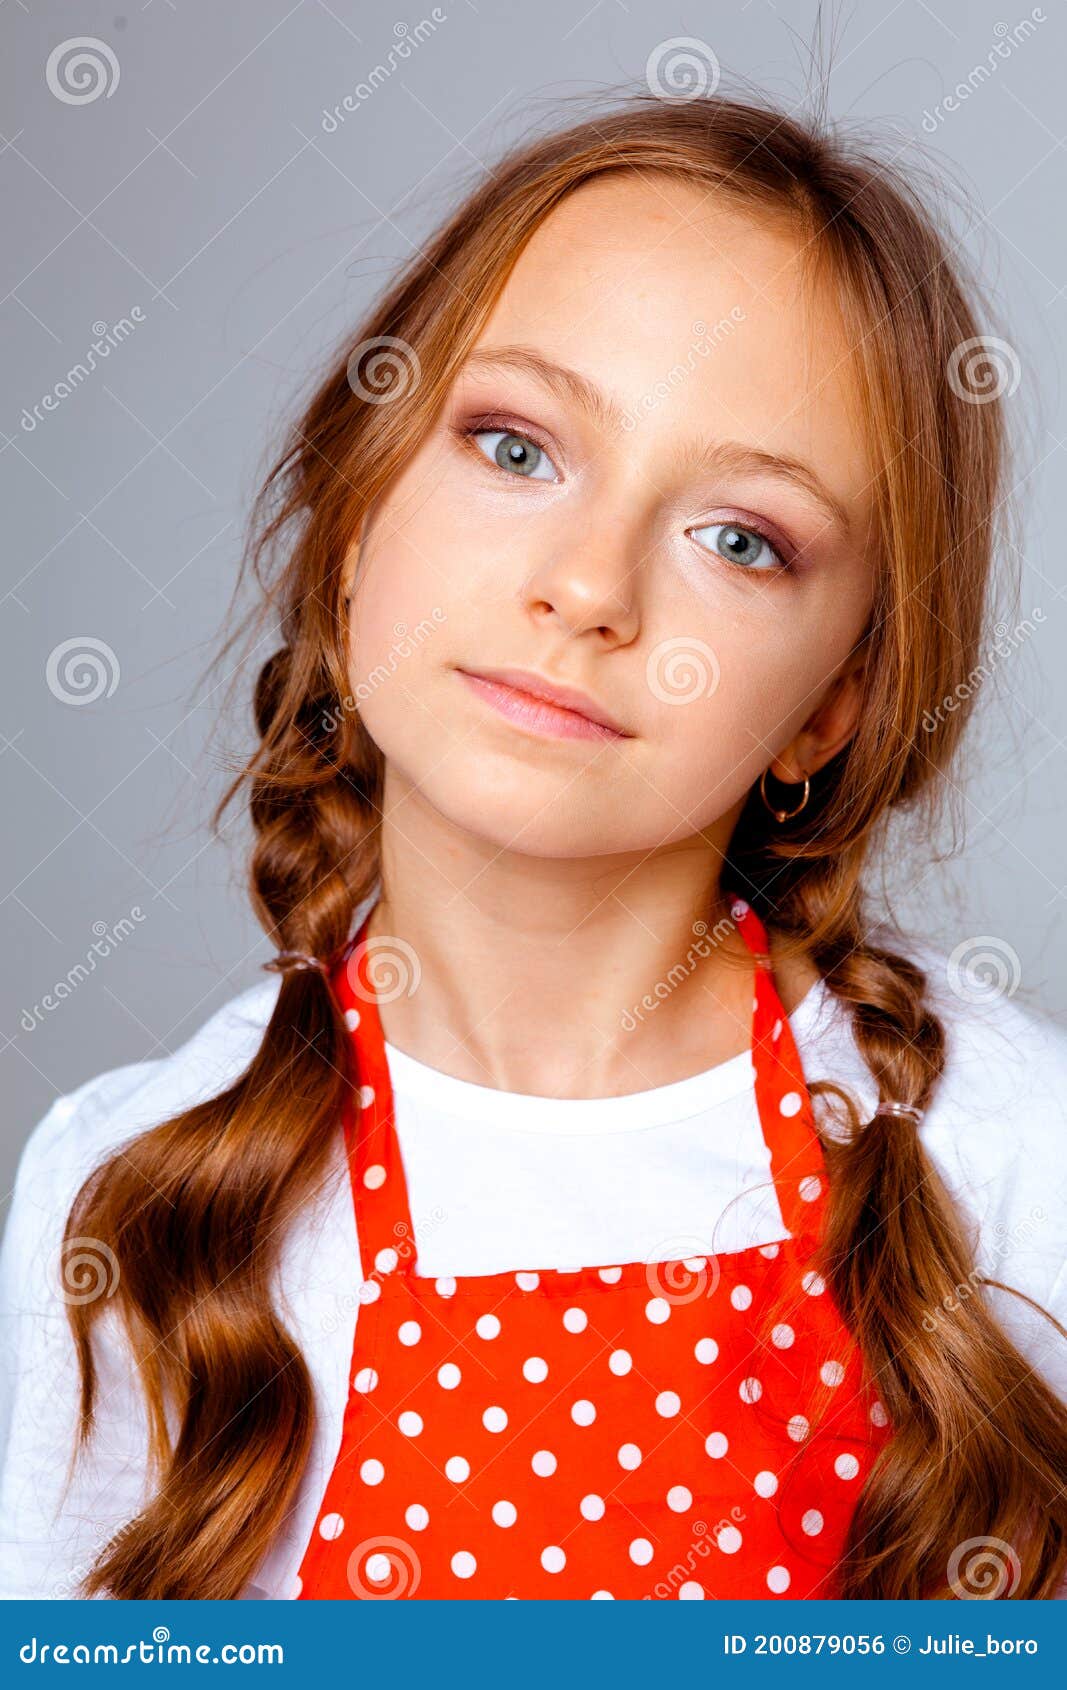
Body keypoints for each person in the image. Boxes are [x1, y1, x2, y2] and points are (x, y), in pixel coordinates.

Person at [2, 91, 1066, 1603]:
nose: (587, 586)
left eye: (742, 538)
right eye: (515, 446)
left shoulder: (1010, 1154)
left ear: (830, 706)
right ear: (360, 504)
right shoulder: (139, 1192)